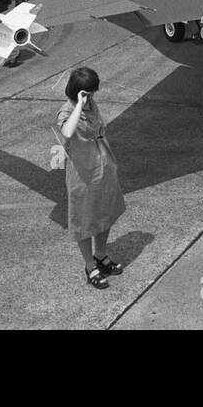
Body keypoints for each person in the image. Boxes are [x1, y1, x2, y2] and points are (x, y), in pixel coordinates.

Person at [54, 67, 126, 289]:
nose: (93, 96)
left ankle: (101, 255)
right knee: (84, 220)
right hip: (82, 174)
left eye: (93, 92)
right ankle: (89, 265)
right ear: (79, 92)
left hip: (103, 168)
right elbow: (67, 132)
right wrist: (78, 104)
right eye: (90, 92)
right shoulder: (67, 112)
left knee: (105, 212)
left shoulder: (92, 105)